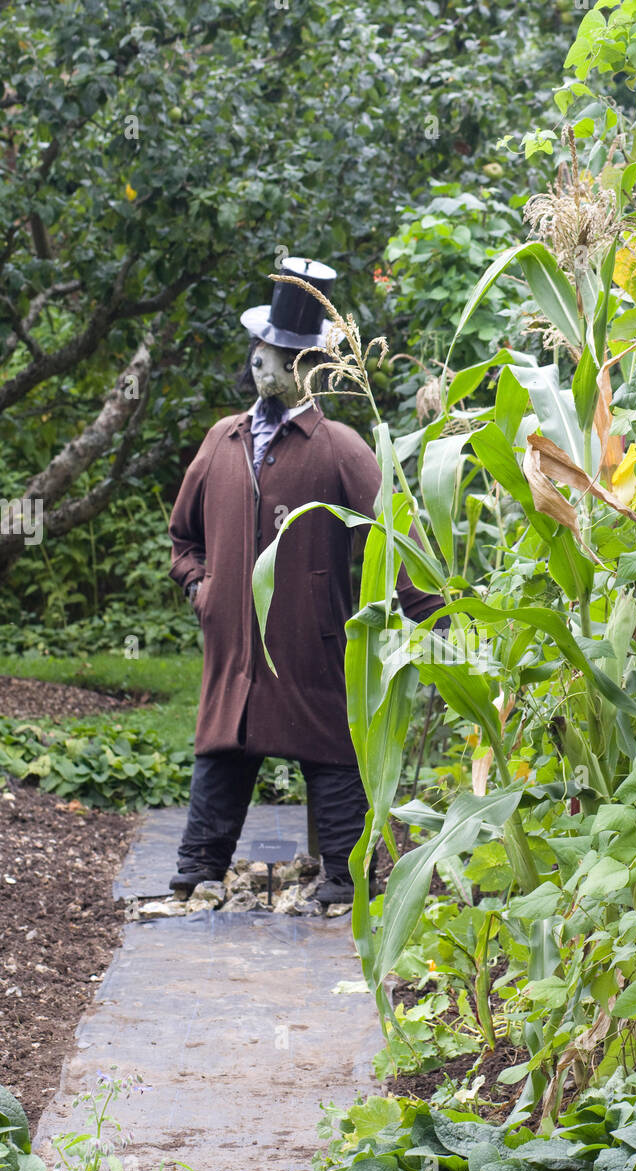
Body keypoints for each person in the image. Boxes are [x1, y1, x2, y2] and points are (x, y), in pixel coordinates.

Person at [167, 257, 444, 910]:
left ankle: (345, 884)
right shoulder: (222, 440)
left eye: (283, 353)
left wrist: (436, 616)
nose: (267, 362)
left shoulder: (339, 446)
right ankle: (196, 876)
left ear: (306, 368)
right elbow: (184, 537)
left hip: (311, 646)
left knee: (333, 757)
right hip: (233, 644)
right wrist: (201, 591)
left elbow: (394, 535)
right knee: (222, 752)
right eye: (266, 348)